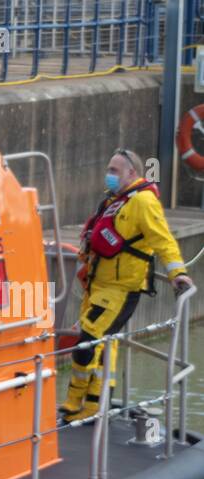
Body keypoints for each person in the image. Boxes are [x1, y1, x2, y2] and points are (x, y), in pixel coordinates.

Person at [64, 148, 194, 422]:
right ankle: (93, 406)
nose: (109, 175)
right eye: (108, 169)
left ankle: (74, 401)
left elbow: (163, 240)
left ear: (132, 173)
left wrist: (177, 273)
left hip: (120, 291)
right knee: (101, 346)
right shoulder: (116, 200)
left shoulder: (143, 202)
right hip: (98, 288)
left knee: (87, 341)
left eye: (114, 171)